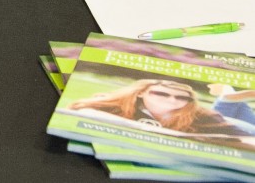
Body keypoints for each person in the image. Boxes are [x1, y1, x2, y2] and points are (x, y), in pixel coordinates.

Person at [70, 79, 255, 138]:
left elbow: (242, 138)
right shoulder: (115, 104)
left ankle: (228, 98)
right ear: (141, 93)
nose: (172, 100)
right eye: (161, 94)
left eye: (181, 97)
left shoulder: (201, 116)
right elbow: (78, 109)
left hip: (241, 127)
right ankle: (228, 97)